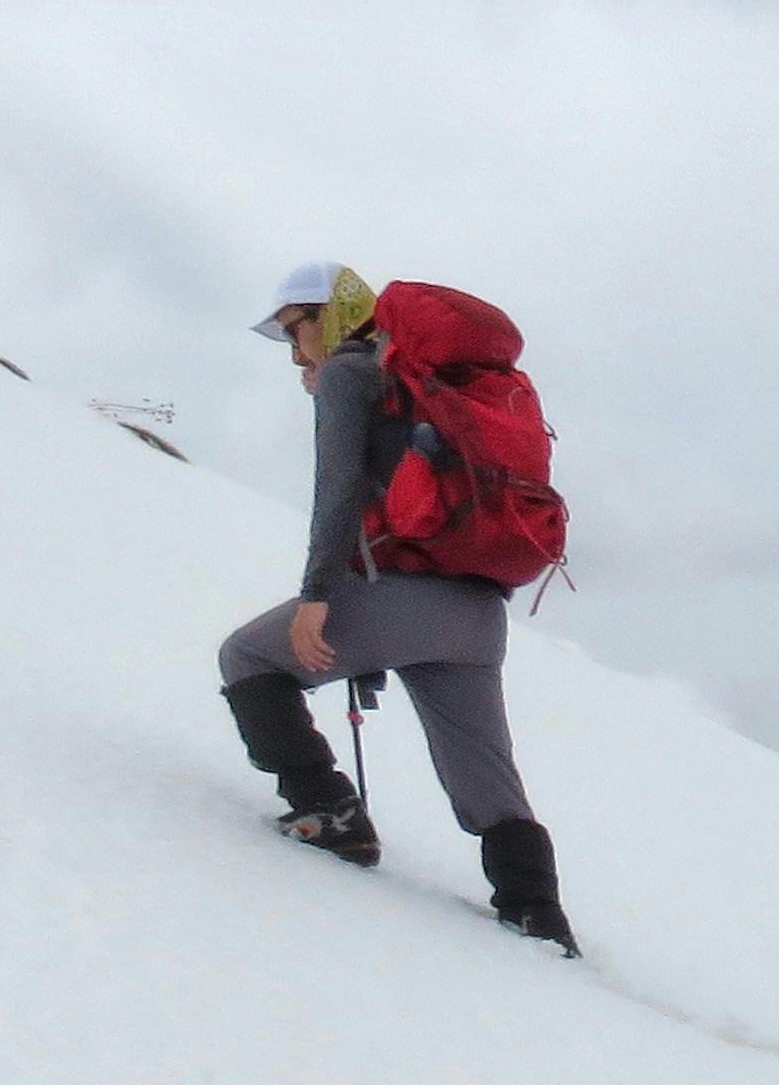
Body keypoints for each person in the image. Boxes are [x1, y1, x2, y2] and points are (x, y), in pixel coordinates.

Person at [217, 263, 575, 952]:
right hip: (475, 613)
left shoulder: (355, 372)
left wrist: (317, 596)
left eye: (297, 330)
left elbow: (339, 489)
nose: (295, 351)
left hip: (400, 596)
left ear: (332, 312)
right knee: (488, 779)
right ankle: (538, 918)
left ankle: (328, 810)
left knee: (247, 656)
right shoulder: (420, 378)